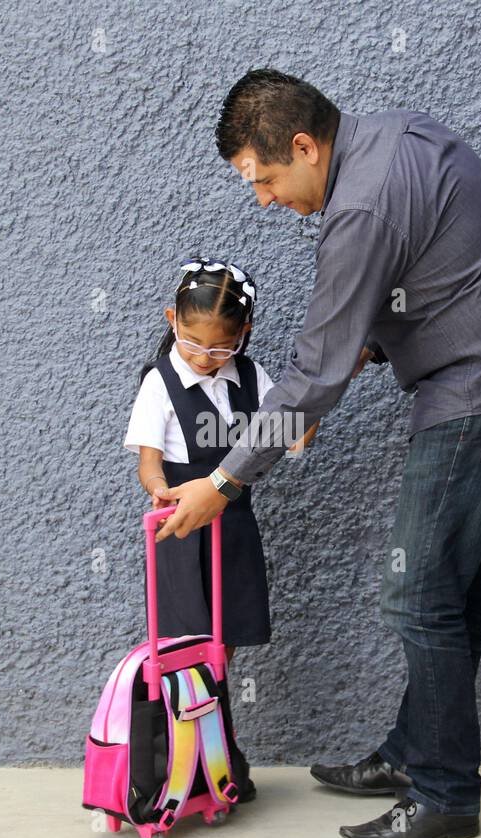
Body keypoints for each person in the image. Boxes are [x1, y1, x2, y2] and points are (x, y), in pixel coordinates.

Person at [153, 70, 481, 838]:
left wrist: (222, 482)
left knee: (417, 592)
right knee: (449, 587)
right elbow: (428, 277)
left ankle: (447, 794)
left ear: (304, 146)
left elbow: (314, 368)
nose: (264, 199)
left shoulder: (357, 209)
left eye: (265, 178)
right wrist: (333, 376)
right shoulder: (396, 135)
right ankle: (415, 754)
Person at [124, 254, 318, 806]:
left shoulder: (252, 376)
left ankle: (217, 761)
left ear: (244, 335)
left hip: (232, 524)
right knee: (181, 648)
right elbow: (147, 459)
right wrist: (159, 487)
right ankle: (171, 767)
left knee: (220, 651)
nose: (206, 359)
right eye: (192, 344)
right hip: (181, 527)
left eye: (220, 349)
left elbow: (288, 424)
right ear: (171, 320)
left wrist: (300, 431)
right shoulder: (159, 382)